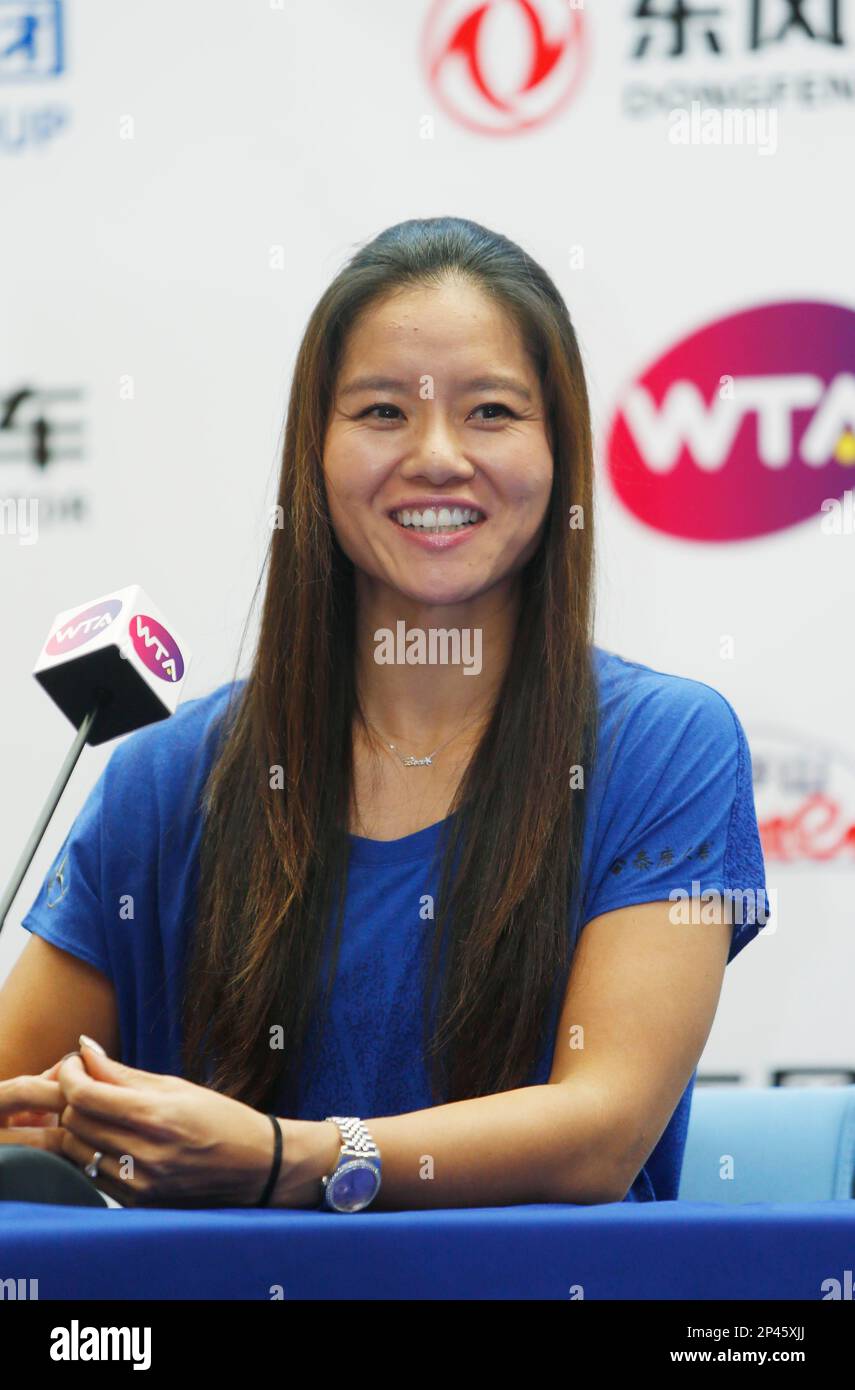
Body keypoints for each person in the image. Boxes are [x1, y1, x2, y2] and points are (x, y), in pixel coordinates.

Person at [0, 216, 770, 1212]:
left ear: (559, 449)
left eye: (491, 410)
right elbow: (15, 1109)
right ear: (313, 451)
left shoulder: (667, 747)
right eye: (380, 413)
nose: (440, 455)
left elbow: (602, 1133)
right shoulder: (168, 775)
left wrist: (288, 1157)